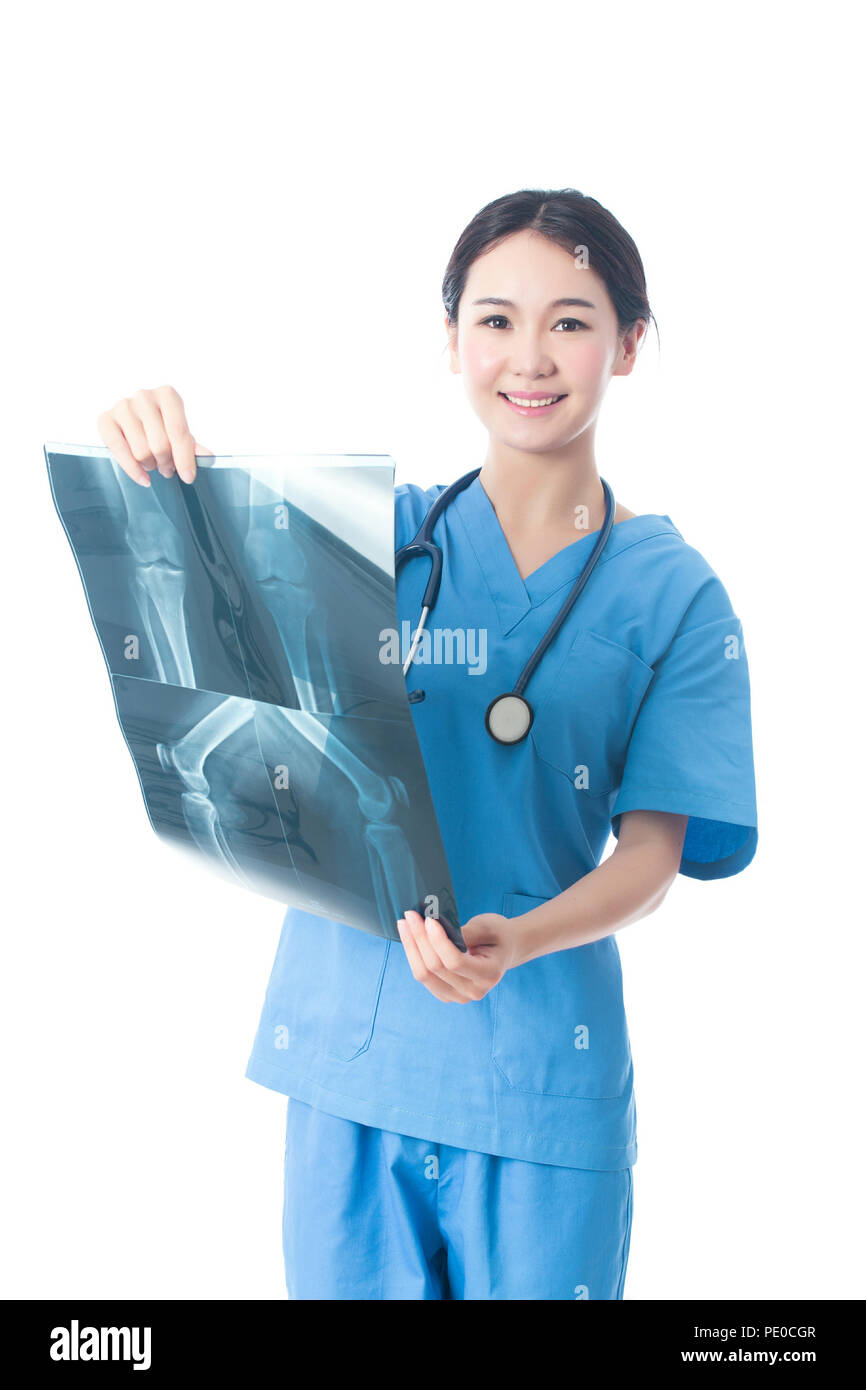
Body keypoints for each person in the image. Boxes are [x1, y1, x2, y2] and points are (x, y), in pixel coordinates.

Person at [97, 187, 758, 1301]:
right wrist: (148, 453)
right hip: (348, 1070)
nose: (528, 355)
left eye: (570, 319)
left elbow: (648, 864)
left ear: (629, 343)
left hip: (543, 1082)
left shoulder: (676, 598)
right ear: (449, 338)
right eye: (494, 319)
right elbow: (204, 621)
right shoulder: (370, 538)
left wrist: (520, 940)